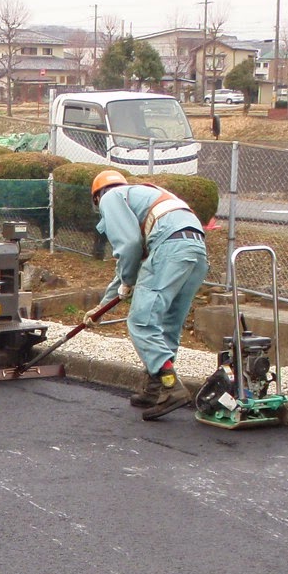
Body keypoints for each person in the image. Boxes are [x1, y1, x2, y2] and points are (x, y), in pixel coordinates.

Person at [89, 170, 210, 421]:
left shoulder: (111, 198)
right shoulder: (144, 196)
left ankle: (170, 385)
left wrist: (128, 281)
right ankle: (155, 388)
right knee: (167, 324)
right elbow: (126, 265)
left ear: (97, 198)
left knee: (141, 321)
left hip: (170, 248)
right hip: (195, 250)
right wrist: (101, 307)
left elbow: (129, 246)